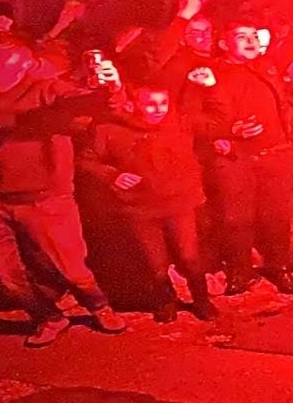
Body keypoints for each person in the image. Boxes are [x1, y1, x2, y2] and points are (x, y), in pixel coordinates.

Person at [185, 0, 293, 295]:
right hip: (234, 160)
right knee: (235, 219)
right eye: (242, 37)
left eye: (254, 36)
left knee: (276, 218)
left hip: (275, 157)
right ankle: (240, 272)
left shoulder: (268, 65)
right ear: (224, 43)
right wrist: (228, 130)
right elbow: (188, 120)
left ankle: (278, 267)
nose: (252, 42)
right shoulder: (208, 73)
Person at [0, 39, 127, 347]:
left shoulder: (48, 90)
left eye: (0, 65)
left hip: (47, 198)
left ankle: (99, 305)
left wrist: (111, 87)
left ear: (25, 67)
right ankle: (49, 317)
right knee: (5, 275)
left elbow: (91, 102)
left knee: (72, 268)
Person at [77, 83, 217, 322]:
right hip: (139, 208)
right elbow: (85, 161)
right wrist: (112, 176)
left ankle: (202, 300)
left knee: (190, 257)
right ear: (133, 105)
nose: (158, 109)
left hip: (179, 203)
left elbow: (211, 126)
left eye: (163, 103)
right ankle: (165, 301)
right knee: (155, 263)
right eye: (150, 104)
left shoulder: (180, 123)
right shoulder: (108, 130)